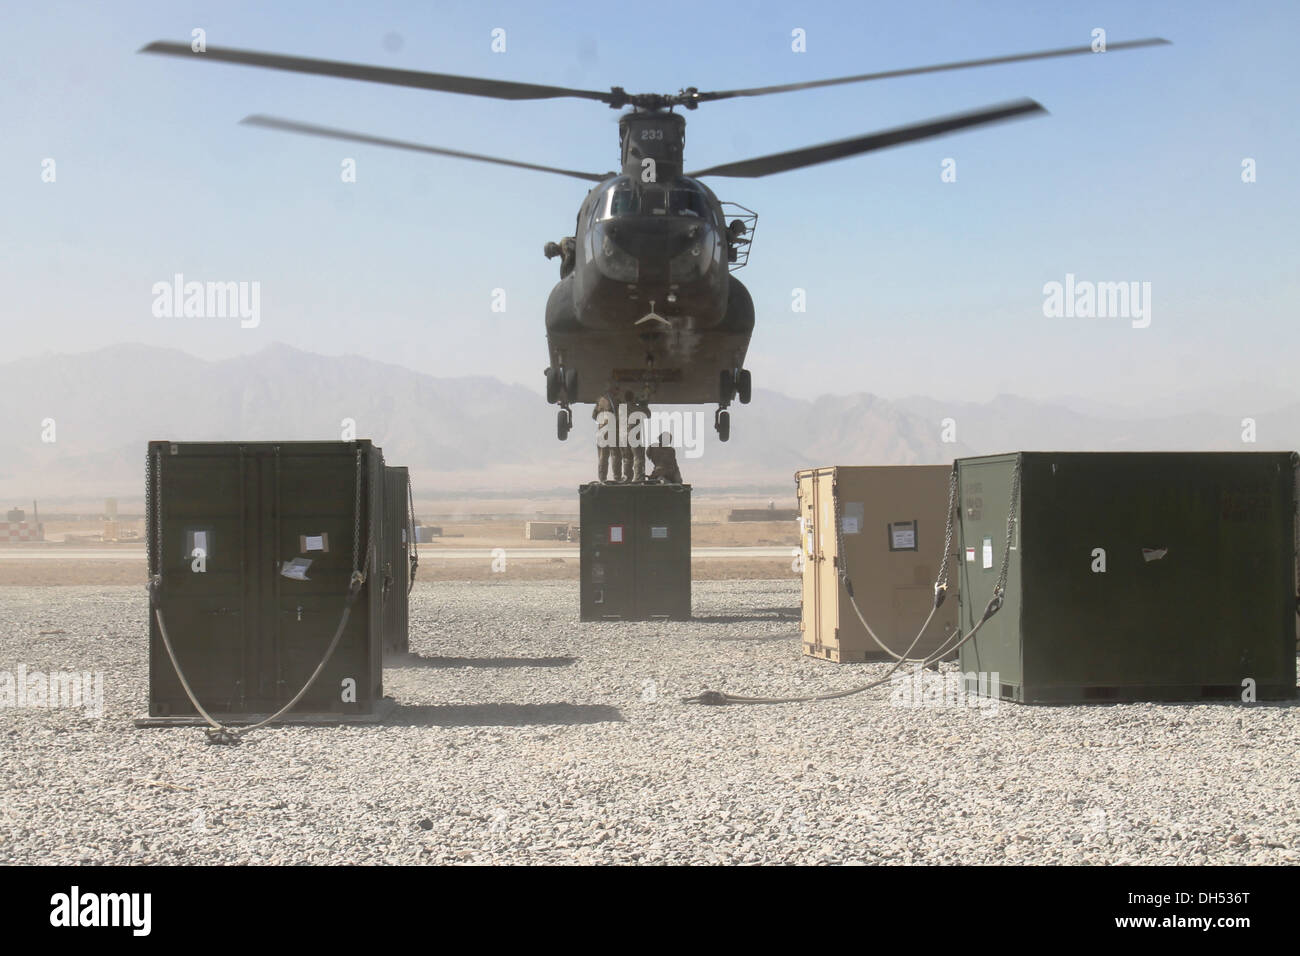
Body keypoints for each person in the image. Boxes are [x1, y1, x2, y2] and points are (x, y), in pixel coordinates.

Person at [620, 390, 651, 482]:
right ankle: (638, 478)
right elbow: (648, 415)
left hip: (623, 437)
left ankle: (627, 478)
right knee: (638, 457)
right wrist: (643, 404)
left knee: (627, 458)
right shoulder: (635, 408)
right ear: (633, 398)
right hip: (633, 436)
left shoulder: (621, 408)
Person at [592, 388, 621, 482]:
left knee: (602, 456)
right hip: (613, 430)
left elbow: (594, 416)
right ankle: (617, 478)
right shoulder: (617, 401)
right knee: (615, 455)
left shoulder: (600, 400)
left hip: (601, 431)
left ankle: (602, 479)